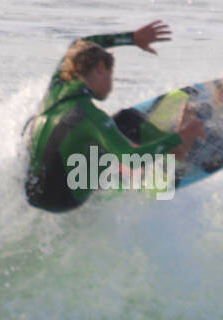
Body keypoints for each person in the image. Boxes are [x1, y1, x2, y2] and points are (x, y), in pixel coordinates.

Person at [24, 20, 204, 212]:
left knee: (44, 128)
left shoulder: (57, 86)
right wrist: (180, 136)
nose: (111, 85)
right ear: (101, 68)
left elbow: (80, 44)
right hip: (64, 199)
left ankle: (110, 166)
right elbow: (131, 158)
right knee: (125, 122)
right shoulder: (91, 116)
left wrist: (132, 38)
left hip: (32, 192)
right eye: (111, 75)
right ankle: (178, 149)